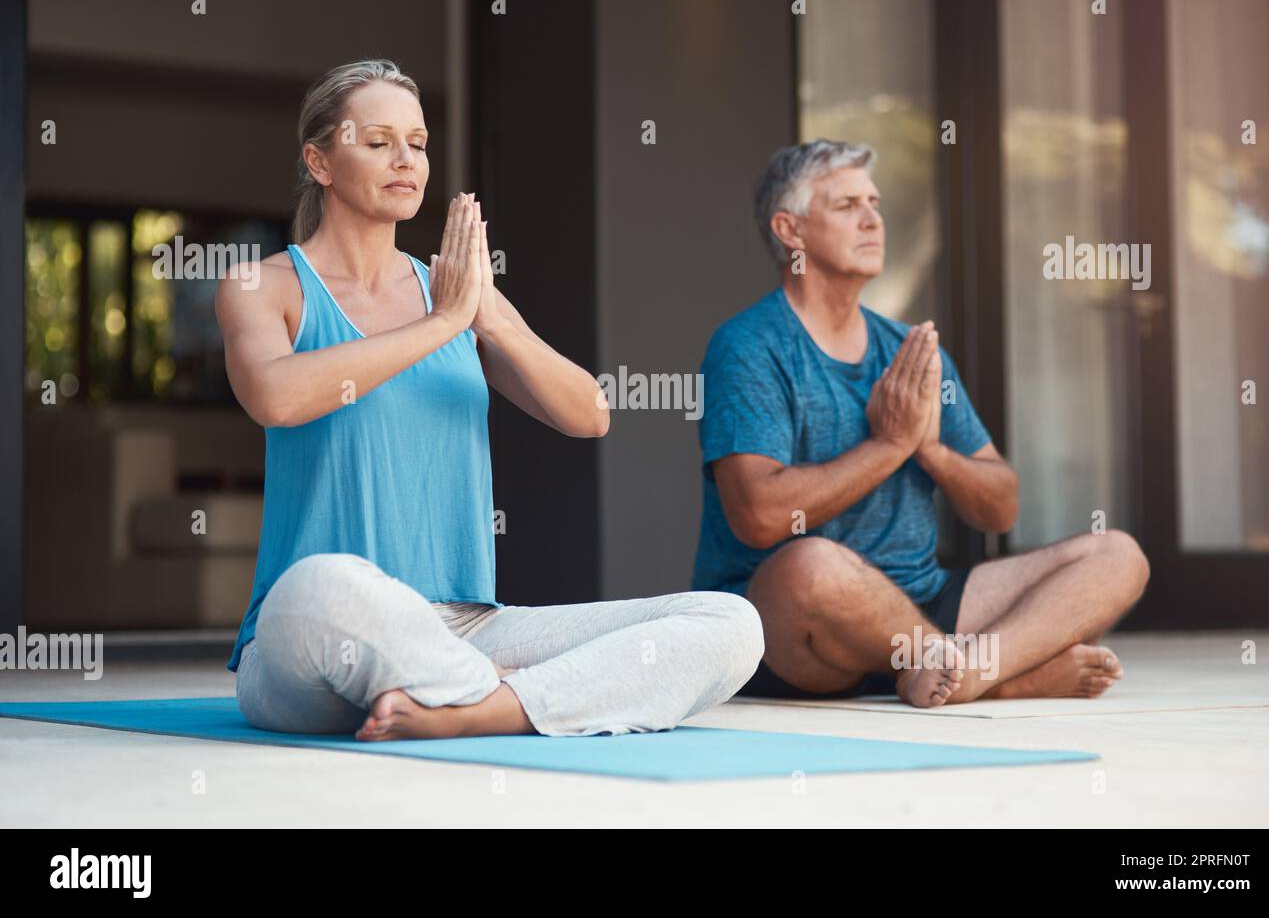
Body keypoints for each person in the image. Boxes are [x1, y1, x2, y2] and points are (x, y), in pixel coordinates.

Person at [216, 59, 763, 740]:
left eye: (417, 143)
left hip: (470, 626)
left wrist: (487, 316)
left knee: (730, 623)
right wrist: (440, 325)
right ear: (319, 161)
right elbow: (275, 395)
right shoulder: (263, 286)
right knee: (326, 586)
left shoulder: (458, 291)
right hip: (317, 639)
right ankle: (522, 699)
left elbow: (588, 413)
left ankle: (479, 709)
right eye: (378, 140)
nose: (406, 159)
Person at [691, 139, 1148, 708]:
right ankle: (1004, 676)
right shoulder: (749, 346)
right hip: (797, 626)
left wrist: (930, 450)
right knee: (810, 566)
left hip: (921, 603)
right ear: (792, 230)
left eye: (875, 203)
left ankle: (963, 673)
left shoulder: (909, 351)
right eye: (847, 206)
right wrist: (890, 445)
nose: (872, 219)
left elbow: (999, 507)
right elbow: (758, 517)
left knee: (1117, 554)